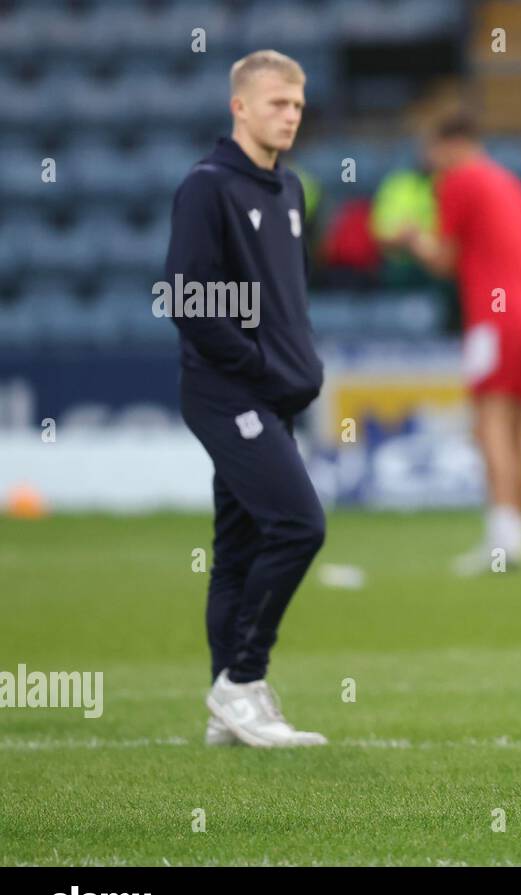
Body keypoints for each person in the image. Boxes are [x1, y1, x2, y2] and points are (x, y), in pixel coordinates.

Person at [165, 50, 327, 747]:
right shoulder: (207, 188)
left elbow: (283, 301)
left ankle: (223, 707)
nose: (289, 116)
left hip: (273, 395)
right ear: (239, 107)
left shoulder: (288, 190)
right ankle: (242, 681)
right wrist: (259, 363)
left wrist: (294, 365)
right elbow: (187, 296)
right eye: (275, 104)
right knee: (299, 526)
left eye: (296, 105)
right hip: (226, 392)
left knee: (238, 548)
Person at [398, 114, 521, 574]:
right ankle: (518, 536)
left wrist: (412, 240)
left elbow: (445, 259)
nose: (428, 163)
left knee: (490, 424)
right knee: (519, 429)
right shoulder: (511, 183)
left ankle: (502, 543)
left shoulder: (459, 180)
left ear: (449, 144)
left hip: (495, 317)